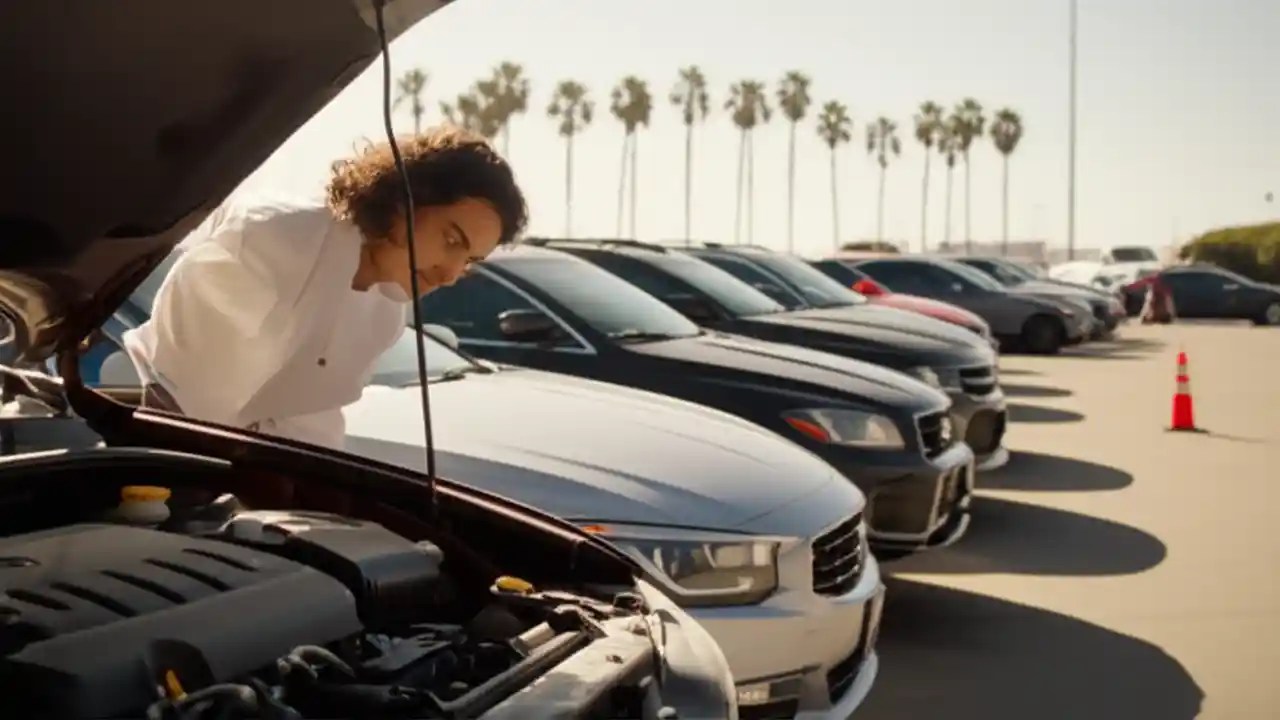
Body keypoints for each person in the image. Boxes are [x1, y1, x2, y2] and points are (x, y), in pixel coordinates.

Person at [122, 125, 528, 450]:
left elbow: (312, 426)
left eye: (471, 260)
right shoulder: (273, 236)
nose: (451, 274)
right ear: (406, 200)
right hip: (168, 455)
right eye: (452, 240)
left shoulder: (387, 313)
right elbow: (190, 391)